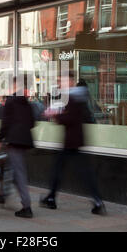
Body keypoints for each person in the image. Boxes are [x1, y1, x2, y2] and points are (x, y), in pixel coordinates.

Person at [40, 72, 106, 215]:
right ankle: (51, 198)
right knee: (65, 170)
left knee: (78, 173)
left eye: (61, 81)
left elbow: (71, 118)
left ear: (69, 81)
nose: (59, 84)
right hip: (74, 140)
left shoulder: (73, 96)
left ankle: (97, 201)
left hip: (72, 141)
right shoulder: (76, 96)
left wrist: (54, 114)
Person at [0, 76, 36, 218]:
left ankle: (27, 206)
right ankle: (3, 194)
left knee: (19, 173)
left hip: (13, 140)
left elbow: (5, 122)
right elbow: (32, 123)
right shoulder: (27, 103)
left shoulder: (10, 101)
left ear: (14, 86)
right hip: (23, 141)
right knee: (11, 169)